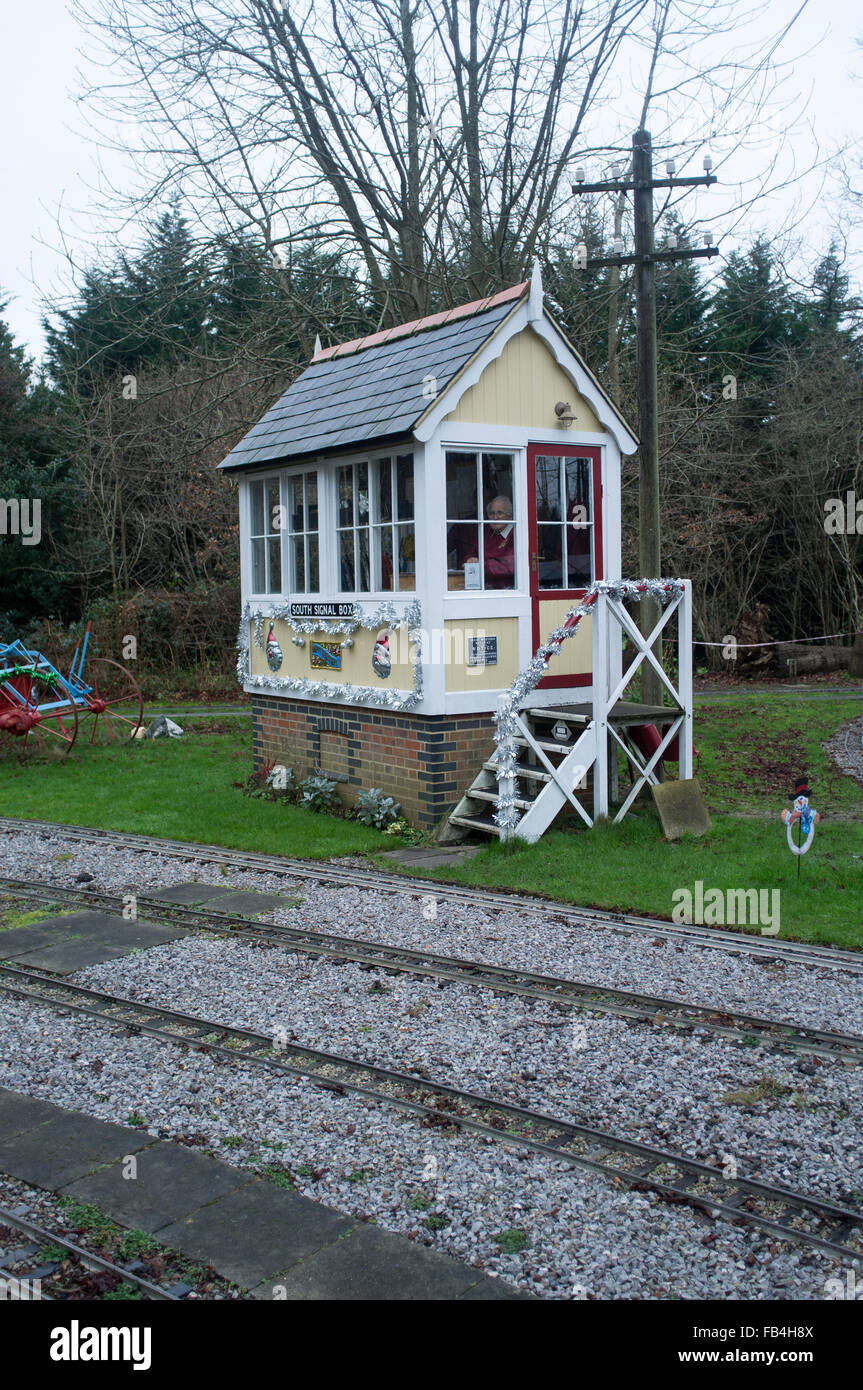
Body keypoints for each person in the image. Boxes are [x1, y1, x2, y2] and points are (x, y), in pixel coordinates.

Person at [464, 495, 515, 589]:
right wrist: (470, 560)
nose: (495, 517)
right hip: (483, 587)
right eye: (491, 513)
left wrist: (480, 565)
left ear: (509, 516)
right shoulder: (486, 532)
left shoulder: (515, 535)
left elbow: (507, 567)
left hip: (508, 589)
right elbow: (470, 555)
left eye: (500, 513)